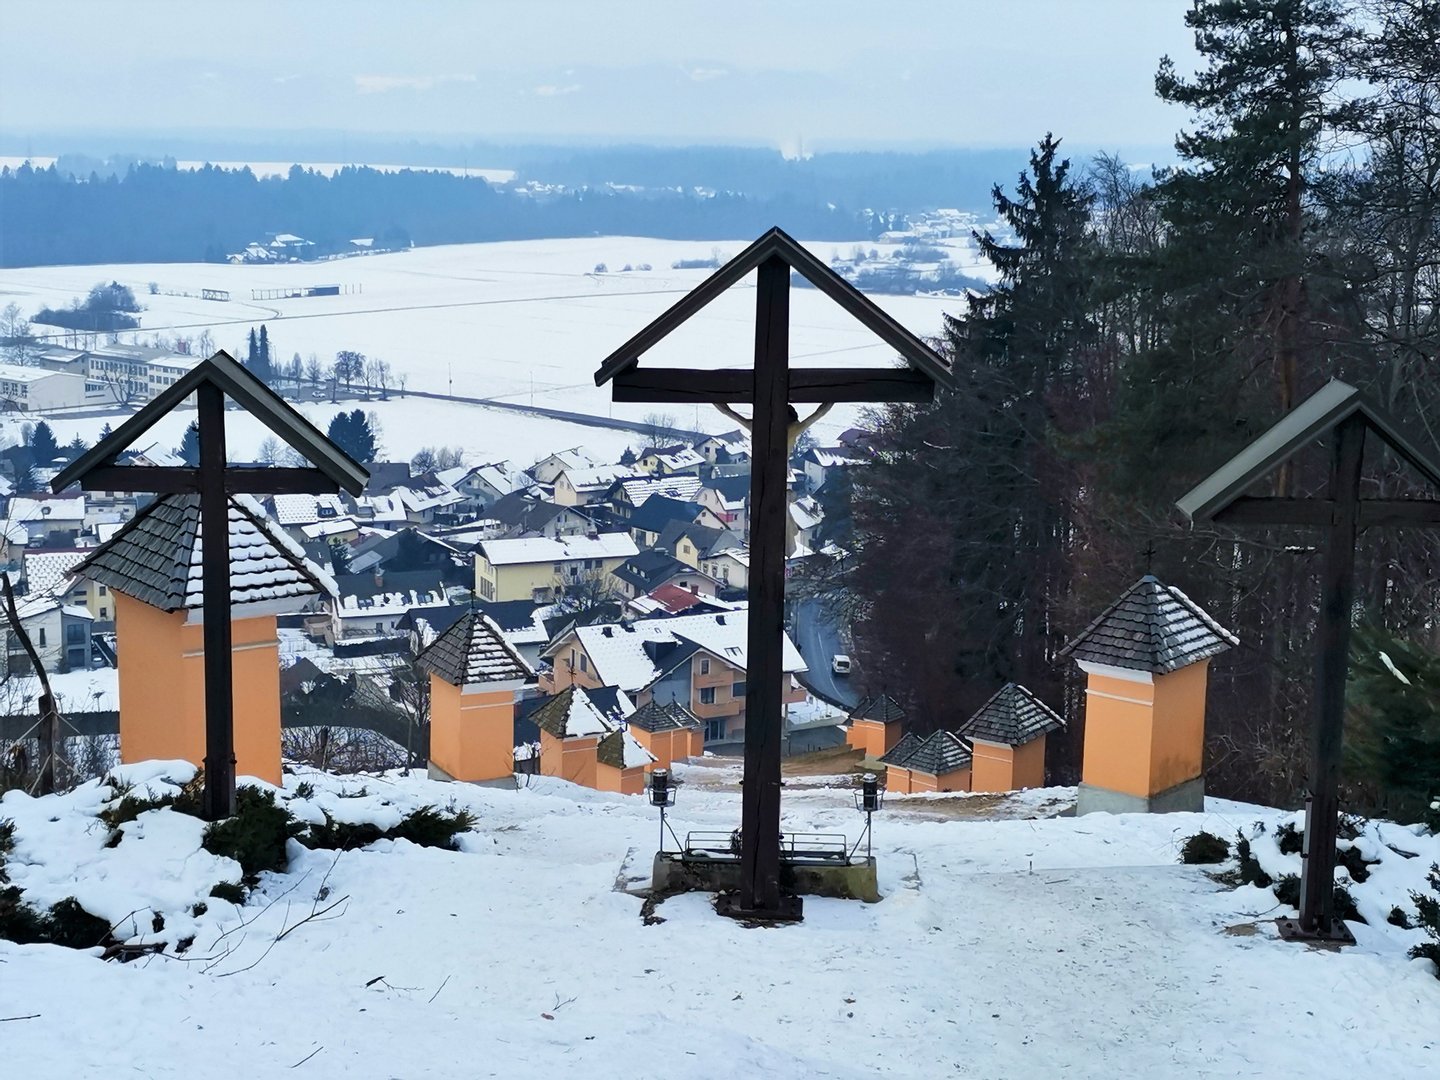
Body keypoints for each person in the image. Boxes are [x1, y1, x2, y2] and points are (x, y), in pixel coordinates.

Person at [713, 402, 831, 556]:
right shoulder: (791, 430)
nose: (794, 442)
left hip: (759, 478)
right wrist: (833, 398)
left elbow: (727, 412)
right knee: (779, 521)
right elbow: (818, 414)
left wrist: (713, 397)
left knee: (771, 522)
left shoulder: (758, 426)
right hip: (774, 479)